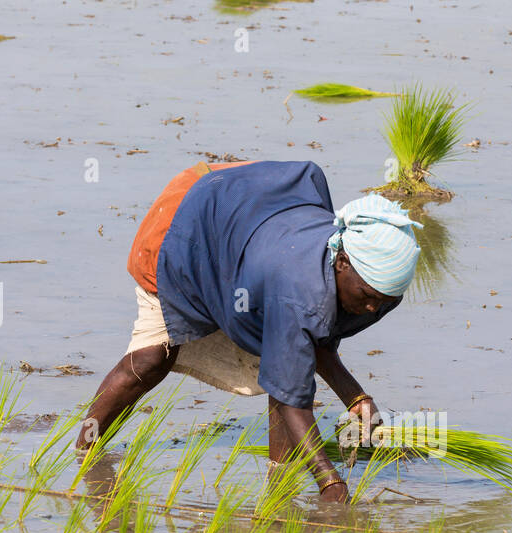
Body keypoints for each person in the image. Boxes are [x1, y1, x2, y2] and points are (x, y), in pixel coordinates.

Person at [77, 159, 421, 503]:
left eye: (385, 300)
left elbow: (312, 341)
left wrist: (356, 397)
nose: (373, 308)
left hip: (252, 217)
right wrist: (330, 482)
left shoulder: (373, 289)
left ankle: (278, 487)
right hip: (191, 218)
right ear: (342, 262)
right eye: (368, 296)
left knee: (285, 368)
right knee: (152, 357)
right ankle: (84, 452)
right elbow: (292, 396)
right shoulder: (298, 289)